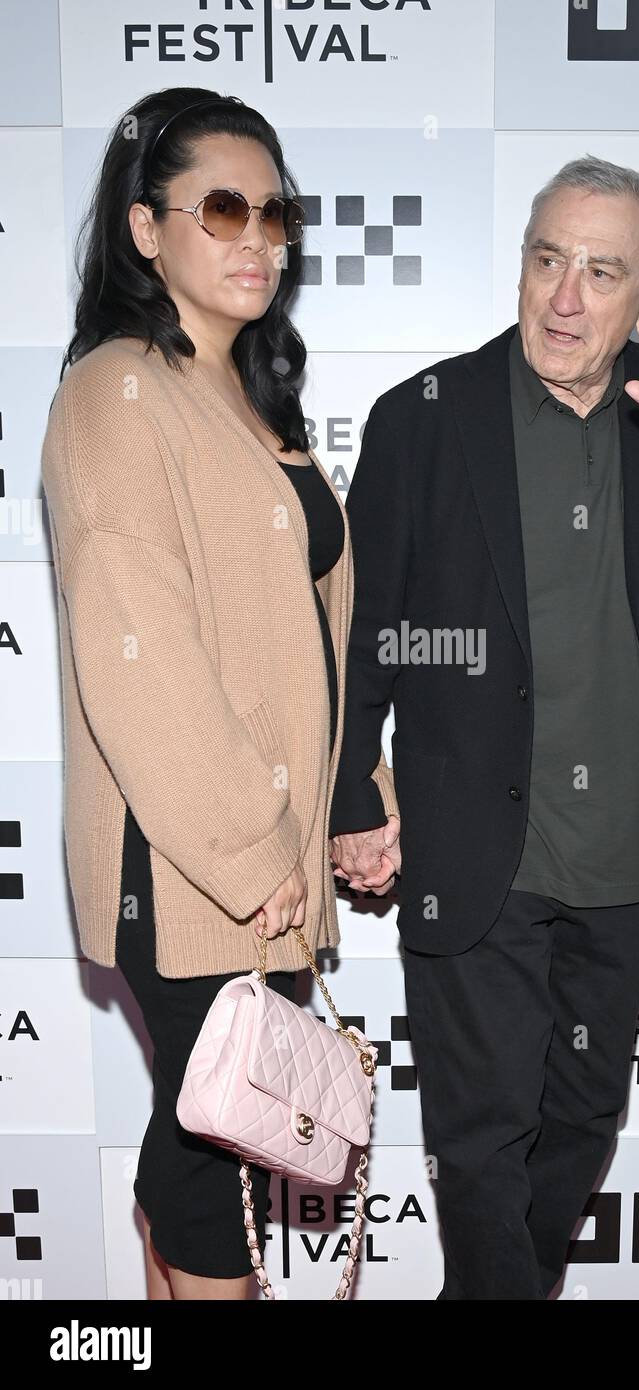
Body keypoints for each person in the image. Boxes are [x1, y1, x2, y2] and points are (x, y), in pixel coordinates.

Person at [328, 155, 639, 1299]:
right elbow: (361, 634)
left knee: (583, 1119)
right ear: (520, 263)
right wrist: (355, 797)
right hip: (468, 850)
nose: (564, 296)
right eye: (546, 259)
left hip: (617, 858)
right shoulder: (425, 419)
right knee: (481, 1137)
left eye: (601, 272)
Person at [40, 86, 396, 1300]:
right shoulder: (115, 390)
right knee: (208, 1159)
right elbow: (137, 649)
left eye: (276, 212)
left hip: (264, 850)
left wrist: (355, 791)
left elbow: (302, 634)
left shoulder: (246, 400)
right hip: (191, 855)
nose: (260, 238)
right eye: (223, 207)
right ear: (146, 229)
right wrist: (251, 845)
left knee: (212, 1129)